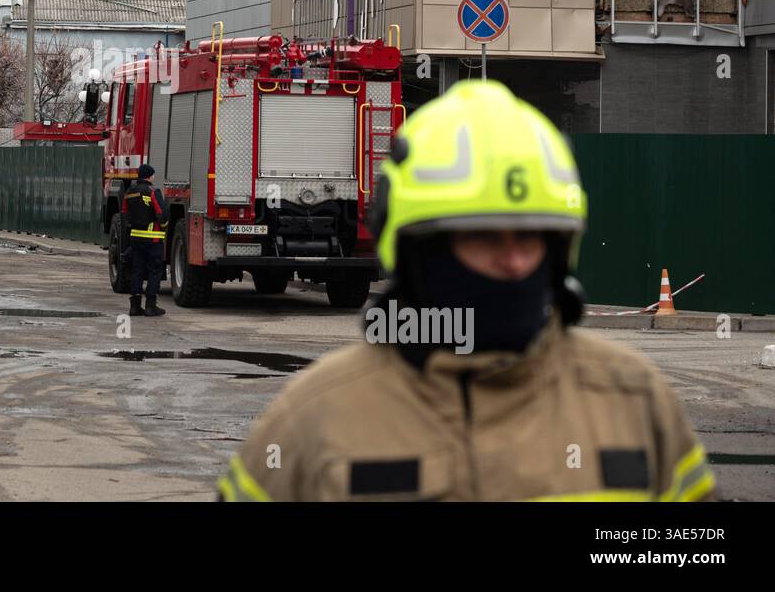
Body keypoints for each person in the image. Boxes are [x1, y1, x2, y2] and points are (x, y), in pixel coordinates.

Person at [219, 80, 714, 502]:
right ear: (416, 251)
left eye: (533, 237)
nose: (516, 261)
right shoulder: (314, 417)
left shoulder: (634, 399)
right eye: (482, 236)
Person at [124, 164, 167, 318]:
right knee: (154, 272)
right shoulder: (153, 191)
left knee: (137, 271)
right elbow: (162, 213)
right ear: (149, 176)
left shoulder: (129, 192)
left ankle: (135, 307)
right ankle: (150, 307)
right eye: (153, 175)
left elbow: (125, 213)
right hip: (153, 239)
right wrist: (164, 227)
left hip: (135, 239)